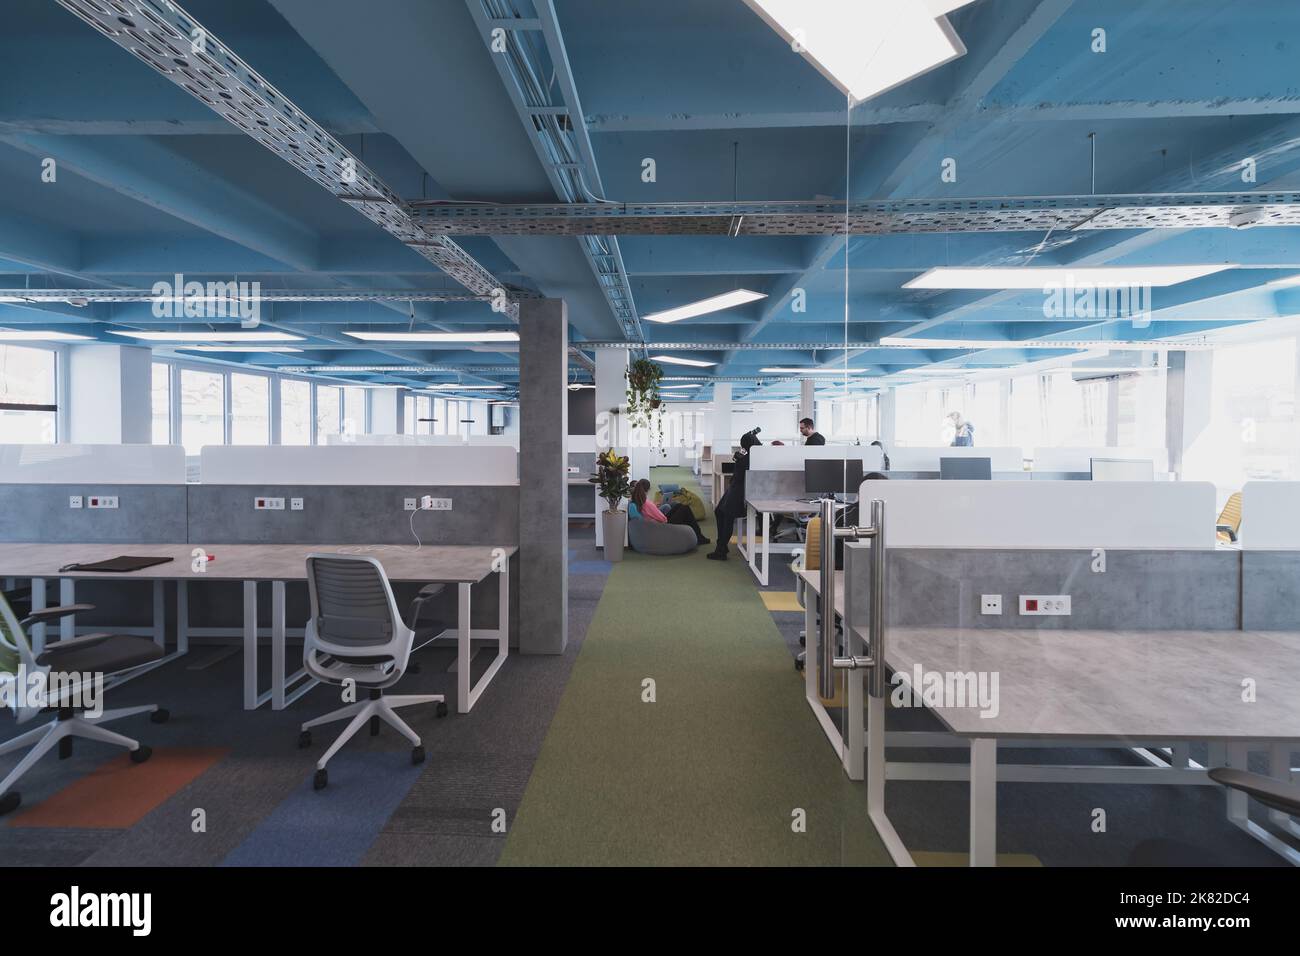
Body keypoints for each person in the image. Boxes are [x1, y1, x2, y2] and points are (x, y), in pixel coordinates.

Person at [706, 429, 761, 561]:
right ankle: (722, 546)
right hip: (739, 490)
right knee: (720, 512)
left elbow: (738, 476)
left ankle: (721, 550)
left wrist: (738, 460)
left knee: (725, 516)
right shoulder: (758, 456)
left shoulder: (745, 459)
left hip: (738, 491)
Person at [629, 479, 709, 546]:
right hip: (663, 526)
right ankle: (698, 536)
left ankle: (697, 535)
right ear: (648, 490)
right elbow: (663, 519)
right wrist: (657, 510)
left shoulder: (637, 501)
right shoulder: (646, 503)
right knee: (685, 508)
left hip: (655, 524)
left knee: (680, 506)